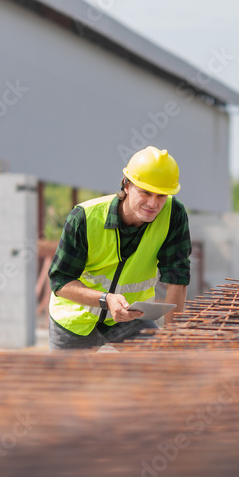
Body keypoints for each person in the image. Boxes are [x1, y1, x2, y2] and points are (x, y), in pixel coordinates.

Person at [47, 146, 191, 349]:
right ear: (126, 185)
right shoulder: (84, 218)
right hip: (75, 320)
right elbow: (60, 282)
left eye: (161, 195)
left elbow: (178, 279)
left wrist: (172, 339)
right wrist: (106, 300)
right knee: (71, 381)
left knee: (157, 370)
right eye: (146, 192)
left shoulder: (173, 215)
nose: (153, 203)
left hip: (130, 317)